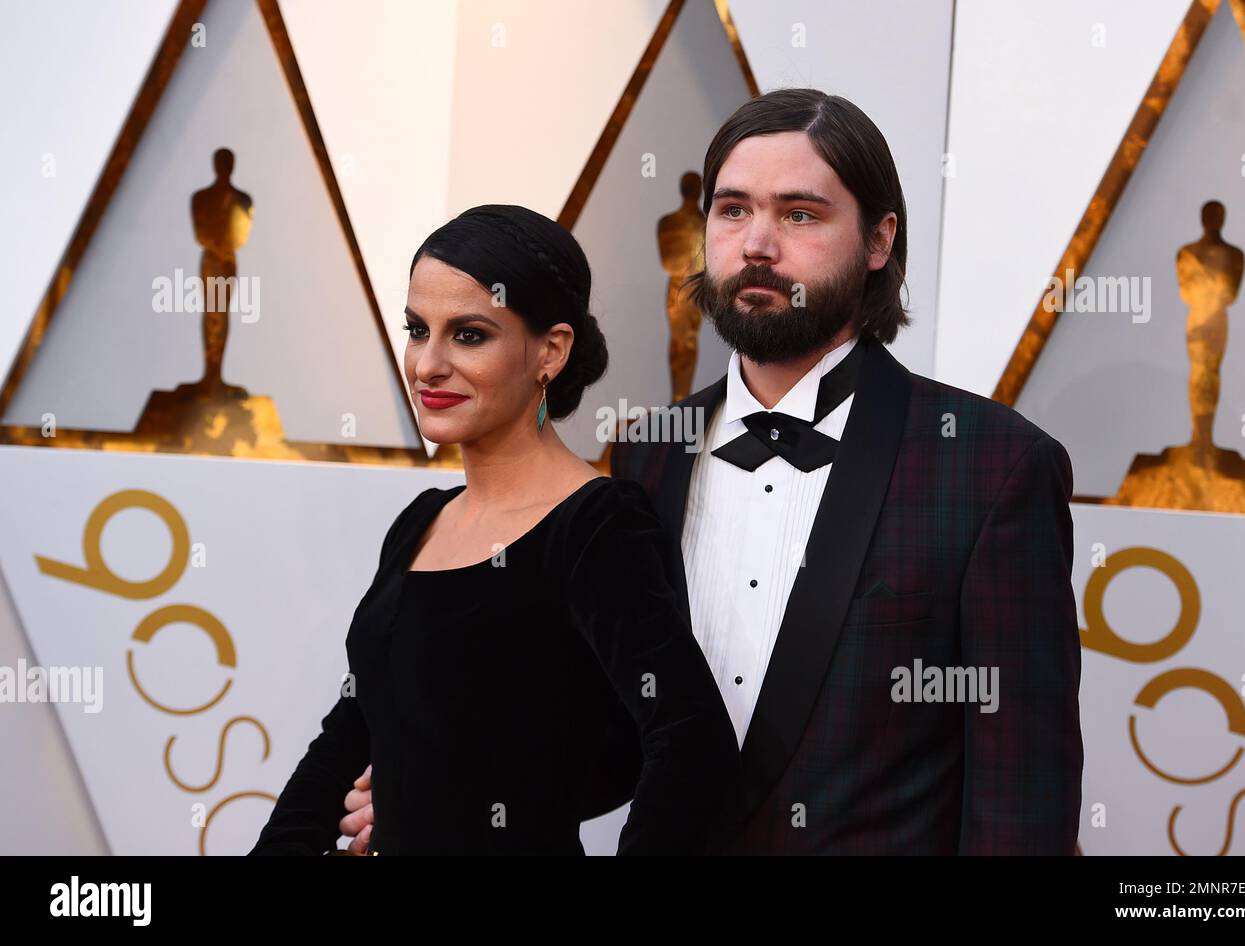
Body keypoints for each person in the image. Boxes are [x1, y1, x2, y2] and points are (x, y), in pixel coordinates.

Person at [341, 88, 1084, 855]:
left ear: (878, 240)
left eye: (800, 214)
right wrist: (439, 793)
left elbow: (1022, 801)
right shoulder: (645, 453)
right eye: (732, 210)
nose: (757, 244)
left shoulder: (990, 467)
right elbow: (615, 744)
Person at [249, 204, 739, 855]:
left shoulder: (595, 526)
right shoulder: (421, 520)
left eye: (469, 335)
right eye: (417, 329)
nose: (427, 364)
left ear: (551, 351)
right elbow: (354, 727)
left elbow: (690, 738)